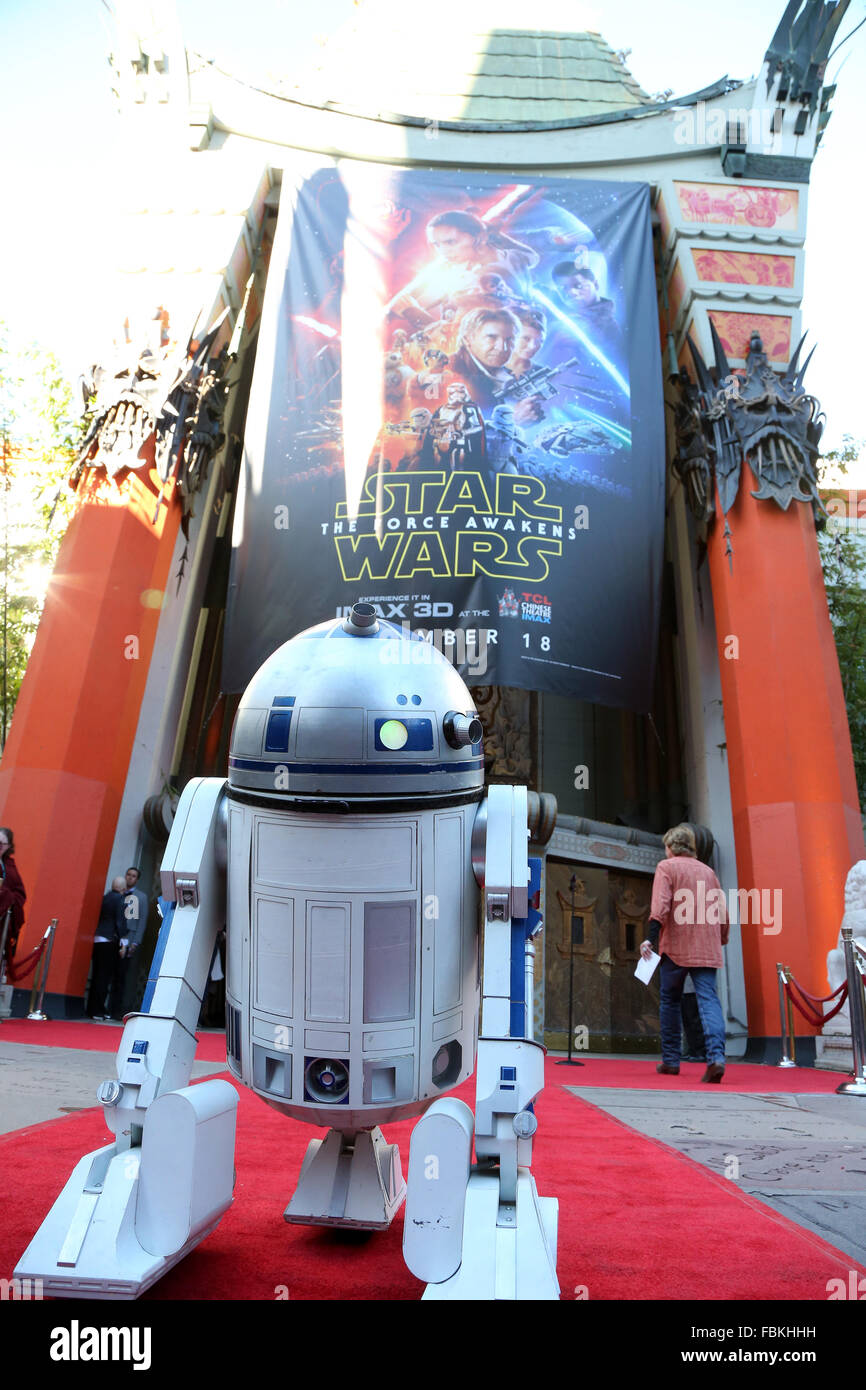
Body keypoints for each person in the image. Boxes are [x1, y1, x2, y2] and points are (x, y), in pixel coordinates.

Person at [640, 824, 728, 1083]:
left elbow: (661, 904)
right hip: (706, 945)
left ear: (670, 846)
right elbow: (722, 910)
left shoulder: (666, 867)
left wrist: (650, 937)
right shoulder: (709, 872)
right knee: (709, 1000)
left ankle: (670, 1060)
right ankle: (716, 1058)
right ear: (691, 846)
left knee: (670, 1000)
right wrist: (721, 938)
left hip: (677, 946)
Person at [106, 866, 149, 1020]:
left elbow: (141, 921)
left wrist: (135, 942)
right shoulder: (117, 894)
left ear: (137, 879)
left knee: (121, 976)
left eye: (133, 876)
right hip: (114, 938)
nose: (130, 878)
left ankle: (117, 1009)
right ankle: (105, 1008)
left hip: (129, 939)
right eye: (128, 875)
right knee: (108, 973)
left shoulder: (141, 897)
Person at [86, 876, 127, 1020]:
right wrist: (123, 942)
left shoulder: (105, 897)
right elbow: (120, 922)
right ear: (123, 889)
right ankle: (98, 1010)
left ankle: (91, 1008)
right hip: (110, 939)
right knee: (104, 977)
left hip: (98, 938)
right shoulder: (121, 900)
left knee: (96, 975)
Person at [0, 827, 26, 971]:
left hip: (3, 923)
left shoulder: (9, 866)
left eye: (2, 844)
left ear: (9, 846)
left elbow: (20, 893)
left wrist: (7, 897)